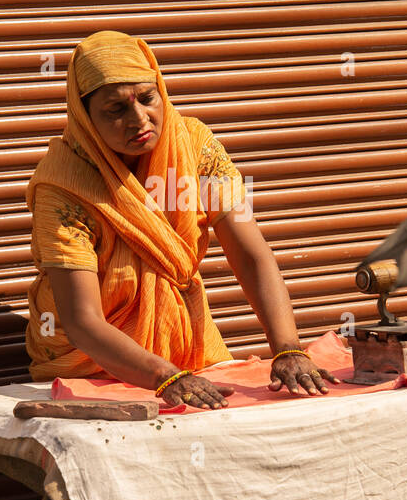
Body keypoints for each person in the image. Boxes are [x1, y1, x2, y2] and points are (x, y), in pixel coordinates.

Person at [25, 30, 338, 410]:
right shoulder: (63, 186)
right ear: (85, 116)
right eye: (115, 110)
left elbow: (251, 255)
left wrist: (288, 348)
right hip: (89, 368)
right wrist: (163, 376)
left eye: (146, 98)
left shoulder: (195, 148)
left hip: (186, 353)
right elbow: (82, 322)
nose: (139, 119)